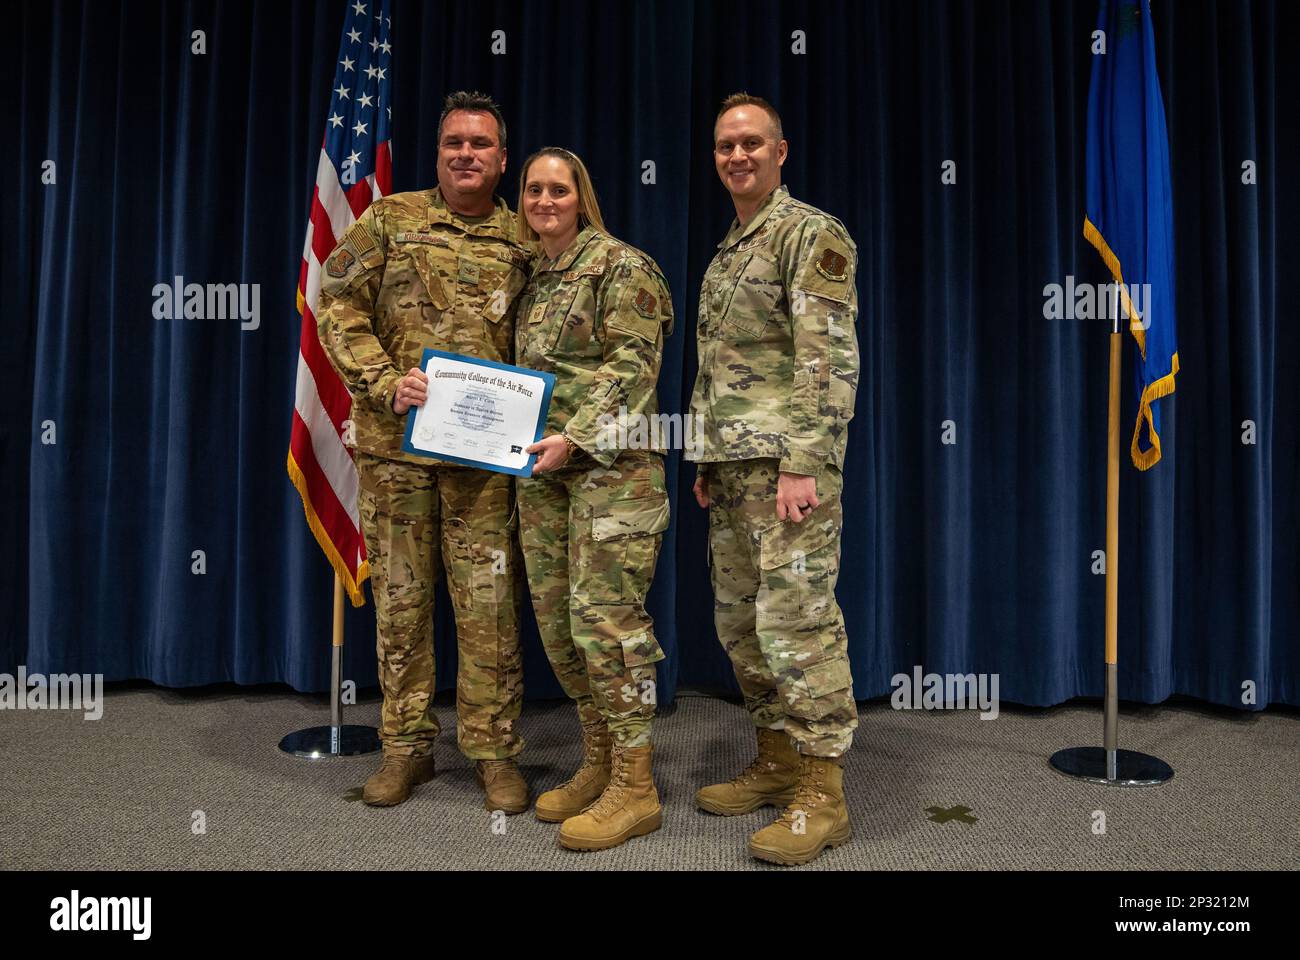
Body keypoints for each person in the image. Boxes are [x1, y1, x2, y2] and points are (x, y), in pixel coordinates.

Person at [317, 91, 533, 813]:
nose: (465, 154)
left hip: (484, 464)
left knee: (488, 610)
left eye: (479, 144)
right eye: (453, 144)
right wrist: (382, 381)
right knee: (402, 608)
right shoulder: (391, 220)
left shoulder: (527, 238)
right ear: (437, 153)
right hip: (396, 455)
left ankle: (495, 753)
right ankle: (405, 748)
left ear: (502, 158)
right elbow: (336, 304)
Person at [687, 93, 861, 865]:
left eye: (752, 143)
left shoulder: (809, 233)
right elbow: (720, 366)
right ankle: (778, 758)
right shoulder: (732, 246)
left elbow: (824, 359)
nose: (738, 155)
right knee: (741, 624)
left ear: (780, 151)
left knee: (798, 625)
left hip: (788, 472)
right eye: (726, 145)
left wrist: (801, 463)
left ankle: (823, 793)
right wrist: (705, 457)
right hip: (731, 470)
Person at [513, 147, 674, 851]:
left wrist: (573, 439)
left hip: (615, 473)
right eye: (534, 189)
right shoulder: (532, 276)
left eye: (559, 188)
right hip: (545, 477)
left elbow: (633, 368)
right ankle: (601, 760)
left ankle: (637, 786)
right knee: (560, 628)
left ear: (582, 196)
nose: (545, 200)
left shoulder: (620, 266)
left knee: (608, 628)